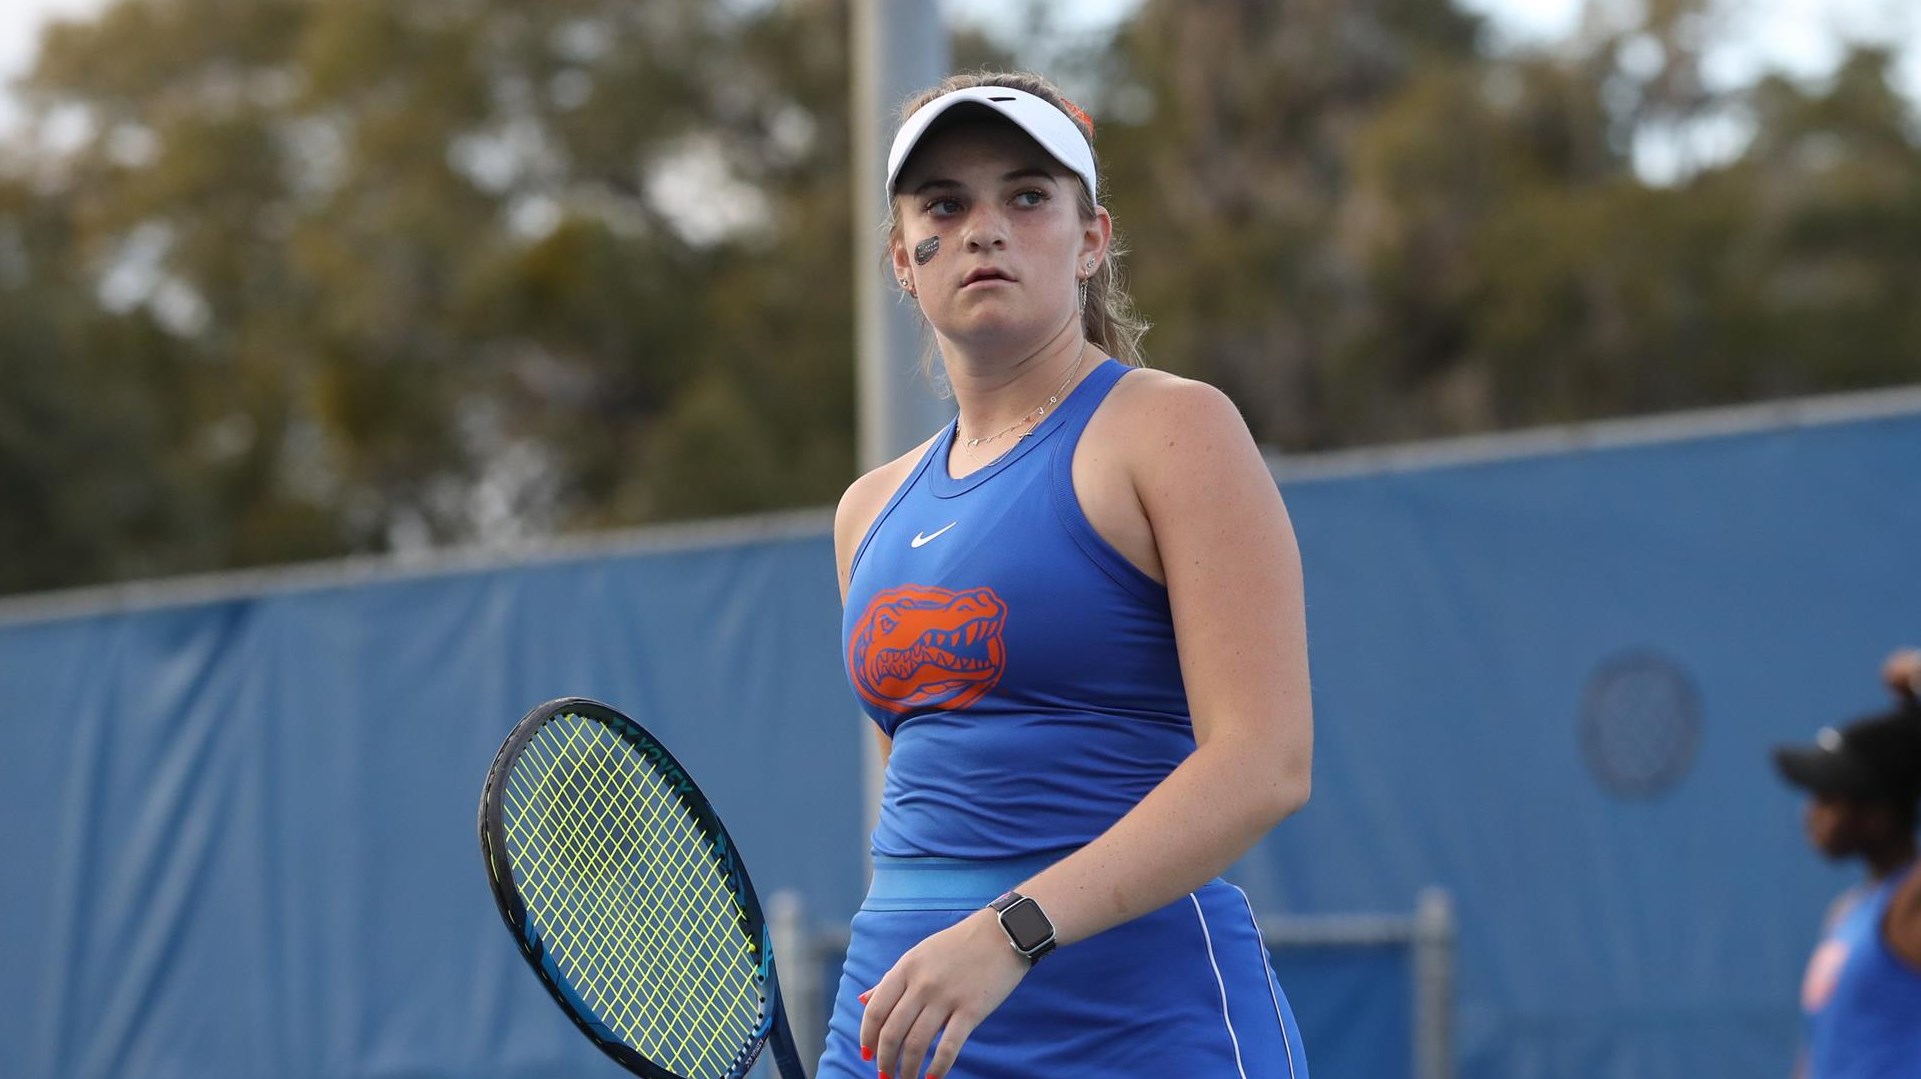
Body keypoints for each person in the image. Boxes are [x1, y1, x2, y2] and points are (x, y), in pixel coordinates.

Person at [818, 71, 1314, 1079]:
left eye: (1027, 196)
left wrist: (1009, 931)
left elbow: (1265, 760)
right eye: (944, 205)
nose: (982, 228)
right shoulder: (866, 511)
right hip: (904, 1027)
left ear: (1092, 239)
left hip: (1137, 1026)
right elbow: (928, 786)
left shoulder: (1175, 427)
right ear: (901, 262)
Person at [1773, 650, 1921, 1079]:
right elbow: (1822, 1052)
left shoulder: (1910, 907)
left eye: (1828, 798)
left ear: (1878, 815)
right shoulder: (1849, 912)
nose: (1809, 812)